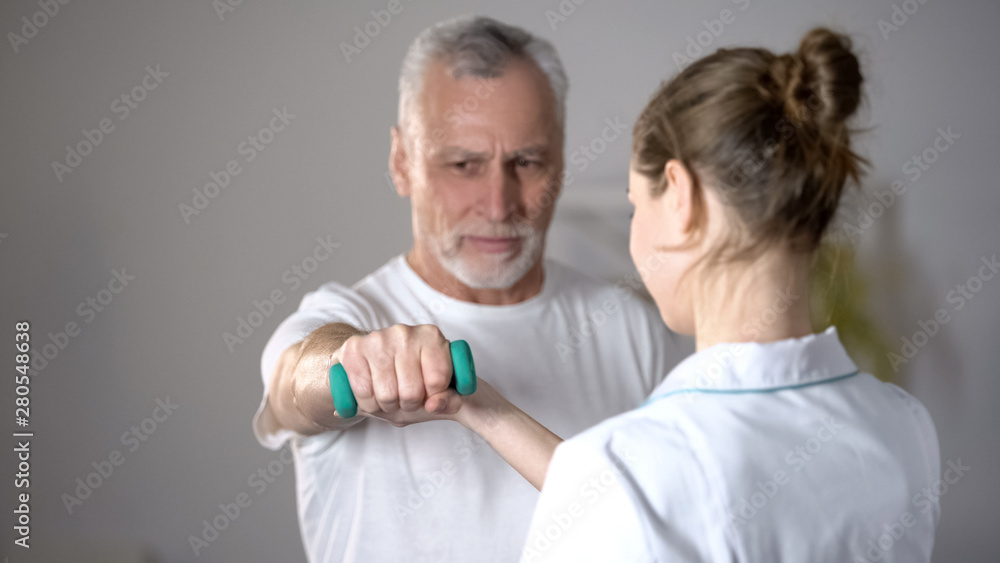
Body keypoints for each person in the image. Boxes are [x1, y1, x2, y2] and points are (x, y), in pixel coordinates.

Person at [423, 27, 941, 561]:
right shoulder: (903, 425)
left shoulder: (629, 473)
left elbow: (629, 496)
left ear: (679, 196)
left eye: (636, 204)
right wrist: (487, 410)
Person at [251, 15, 684, 563]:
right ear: (401, 163)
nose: (499, 205)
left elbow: (670, 531)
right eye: (463, 165)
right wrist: (349, 363)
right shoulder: (351, 312)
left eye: (526, 161)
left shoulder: (634, 330)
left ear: (560, 161)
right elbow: (293, 387)